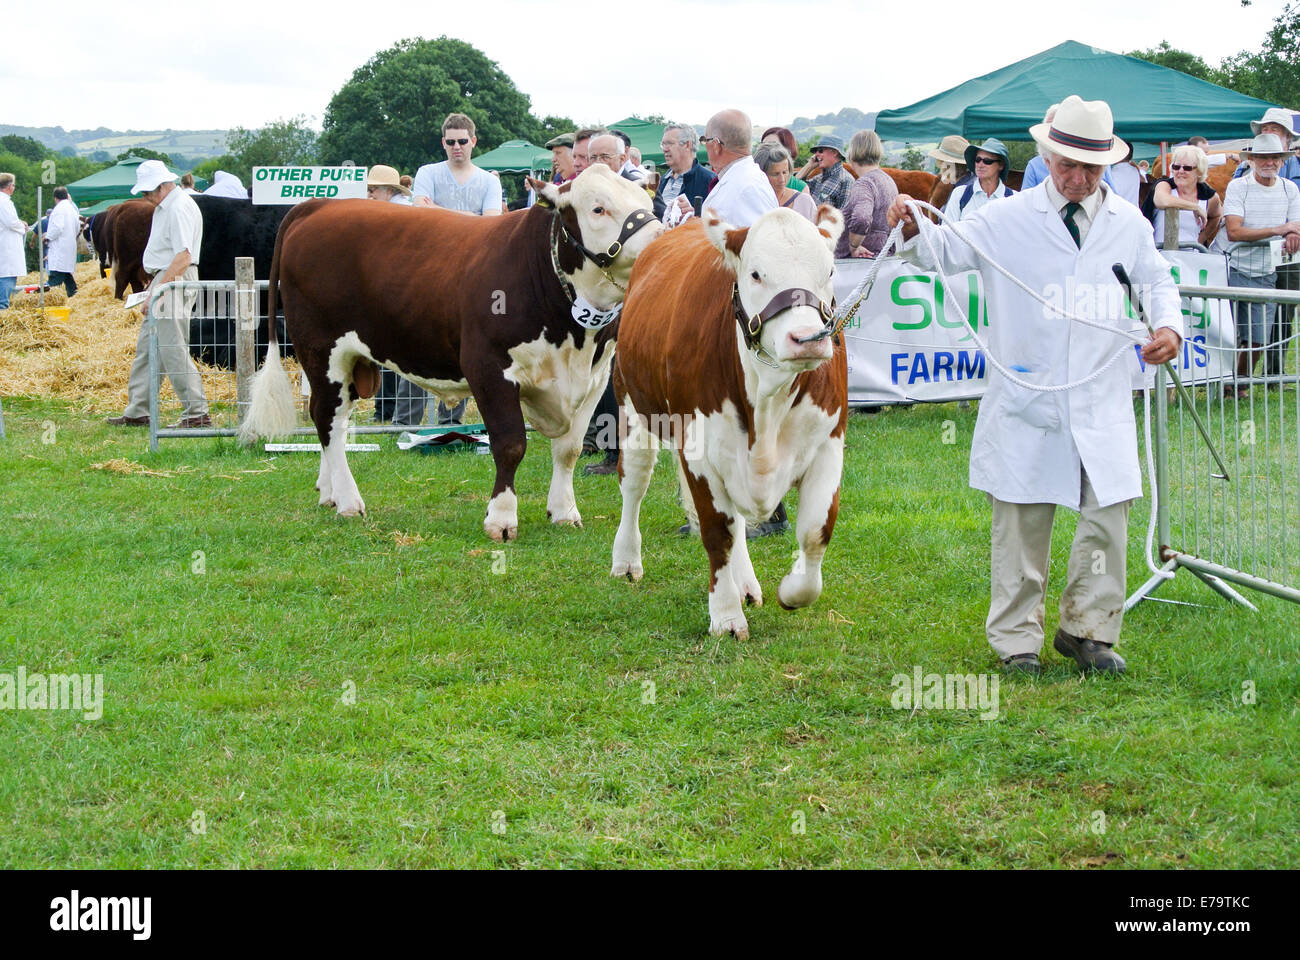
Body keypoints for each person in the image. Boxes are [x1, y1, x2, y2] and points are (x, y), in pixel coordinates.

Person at [886, 95, 1183, 676]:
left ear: (1107, 166)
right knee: (1022, 520)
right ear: (1046, 156)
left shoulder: (1129, 222)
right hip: (1030, 393)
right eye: (1066, 165)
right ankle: (1017, 640)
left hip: (1100, 394)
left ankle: (1088, 631)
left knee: (1106, 517)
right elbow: (940, 250)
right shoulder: (1007, 218)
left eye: (1090, 169)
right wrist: (911, 219)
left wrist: (1168, 325)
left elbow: (1156, 278)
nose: (1077, 178)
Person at [697, 108, 788, 538]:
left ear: (716, 145)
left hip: (746, 317)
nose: (705, 151)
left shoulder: (747, 185)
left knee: (755, 407)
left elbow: (762, 252)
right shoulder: (739, 179)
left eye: (705, 143)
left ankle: (770, 512)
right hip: (726, 310)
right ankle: (724, 506)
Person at [404, 113, 503, 427]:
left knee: (467, 342)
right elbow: (421, 209)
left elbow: (490, 224)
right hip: (428, 270)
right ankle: (404, 421)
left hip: (473, 272)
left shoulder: (489, 180)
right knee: (414, 339)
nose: (457, 147)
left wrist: (439, 212)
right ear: (442, 143)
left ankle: (451, 421)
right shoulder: (428, 171)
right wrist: (467, 219)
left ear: (473, 141)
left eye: (462, 141)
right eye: (451, 142)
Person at [108, 160, 211, 429]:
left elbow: (184, 256)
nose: (145, 197)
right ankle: (138, 409)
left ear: (163, 185)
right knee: (148, 347)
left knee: (172, 347)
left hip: (174, 279)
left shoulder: (178, 208)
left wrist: (159, 290)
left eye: (147, 191)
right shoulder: (168, 206)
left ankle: (196, 411)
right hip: (165, 278)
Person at [1223, 133, 1300, 395]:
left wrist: (1291, 233)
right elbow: (1234, 231)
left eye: (1275, 157)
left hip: (1267, 272)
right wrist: (1281, 229)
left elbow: (1296, 226)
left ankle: (1237, 384)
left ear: (1282, 160)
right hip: (1232, 269)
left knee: (1258, 339)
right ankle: (1223, 383)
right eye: (1264, 157)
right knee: (1228, 337)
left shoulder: (1290, 189)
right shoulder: (1238, 187)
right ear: (1253, 160)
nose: (1270, 162)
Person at [1022, 104, 1115, 191]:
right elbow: (1026, 203)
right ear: (1047, 162)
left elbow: (1112, 197)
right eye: (1067, 165)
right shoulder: (1034, 165)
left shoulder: (1099, 161)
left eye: (1090, 167)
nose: (1078, 180)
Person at [1146, 145, 1221, 249]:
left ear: (1199, 171)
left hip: (1191, 258)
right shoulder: (1164, 185)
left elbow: (1217, 216)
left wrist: (1199, 241)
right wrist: (1195, 207)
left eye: (1187, 168)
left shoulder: (1208, 196)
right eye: (1176, 167)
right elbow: (1162, 201)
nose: (1180, 171)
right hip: (1159, 257)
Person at [836, 130, 897, 258]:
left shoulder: (864, 183)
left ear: (852, 153)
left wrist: (854, 246)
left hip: (860, 263)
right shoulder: (889, 181)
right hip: (883, 257)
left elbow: (861, 218)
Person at [942, 138, 1013, 223]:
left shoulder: (1014, 199)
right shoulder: (959, 194)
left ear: (1001, 165)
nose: (980, 165)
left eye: (987, 161)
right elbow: (948, 231)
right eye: (977, 160)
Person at [653, 123, 714, 221]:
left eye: (670, 143)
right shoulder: (661, 181)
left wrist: (695, 216)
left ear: (687, 145)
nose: (664, 149)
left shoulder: (710, 181)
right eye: (663, 144)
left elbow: (719, 222)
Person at [1230, 108, 1300, 191]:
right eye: (1265, 129)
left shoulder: (1296, 167)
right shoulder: (1245, 166)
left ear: (1288, 136)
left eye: (1274, 129)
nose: (1268, 134)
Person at [754, 142, 817, 222]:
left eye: (785, 172)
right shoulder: (754, 202)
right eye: (775, 174)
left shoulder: (804, 202)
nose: (782, 179)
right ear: (762, 174)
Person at [45, 186, 80, 297]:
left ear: (55, 198)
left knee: (56, 275)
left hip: (59, 246)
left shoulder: (59, 209)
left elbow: (57, 227)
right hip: (69, 244)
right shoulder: (72, 209)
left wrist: (47, 237)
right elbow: (78, 227)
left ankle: (49, 296)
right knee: (66, 273)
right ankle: (73, 294)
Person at [804, 134, 853, 210]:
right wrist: (809, 166)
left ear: (834, 152)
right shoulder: (817, 179)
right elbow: (793, 187)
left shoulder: (846, 180)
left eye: (820, 151)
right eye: (816, 151)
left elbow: (844, 217)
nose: (816, 154)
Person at [0, 172, 26, 310]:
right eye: (14, 185)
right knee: (7, 276)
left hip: (4, 245)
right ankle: (2, 311)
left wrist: (19, 223)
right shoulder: (4, 202)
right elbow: (11, 222)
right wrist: (22, 226)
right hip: (6, 248)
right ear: (10, 186)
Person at [761, 127, 808, 192]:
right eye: (763, 145)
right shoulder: (755, 181)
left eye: (773, 145)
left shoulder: (800, 188)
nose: (766, 150)